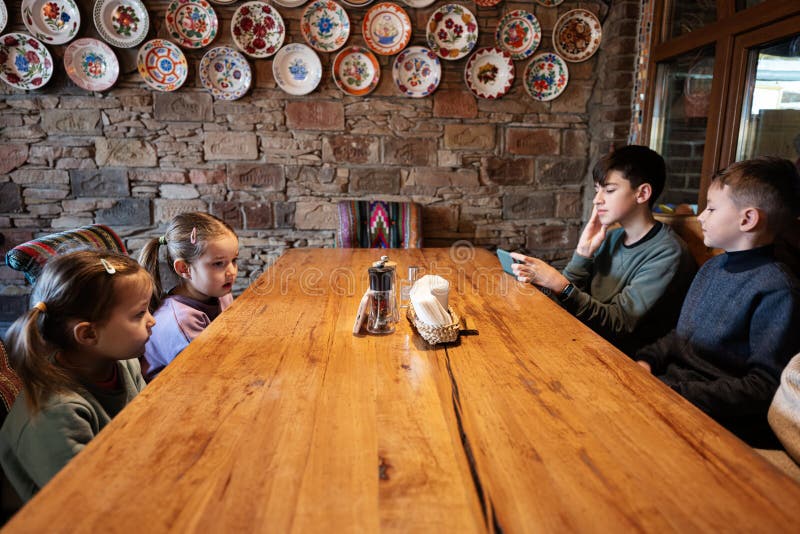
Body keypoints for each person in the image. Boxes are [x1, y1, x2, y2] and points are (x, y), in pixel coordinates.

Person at [636, 157, 800, 448]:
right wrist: (647, 359)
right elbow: (681, 336)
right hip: (672, 391)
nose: (701, 217)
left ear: (748, 219)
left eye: (711, 208)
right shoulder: (712, 267)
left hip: (717, 418)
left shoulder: (777, 289)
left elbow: (762, 386)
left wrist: (677, 392)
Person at [511, 145, 696, 356]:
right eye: (597, 189)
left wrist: (559, 284)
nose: (597, 199)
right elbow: (567, 304)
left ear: (642, 193)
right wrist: (582, 254)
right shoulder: (613, 237)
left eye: (609, 190)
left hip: (621, 359)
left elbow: (617, 324)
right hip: (583, 340)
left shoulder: (667, 252)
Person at [0, 250, 154, 502]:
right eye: (139, 314)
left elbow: (145, 423)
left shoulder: (124, 363)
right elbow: (84, 500)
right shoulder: (56, 414)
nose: (152, 321)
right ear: (88, 335)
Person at [139, 212, 238, 381]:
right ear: (184, 269)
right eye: (218, 264)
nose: (232, 271)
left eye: (234, 260)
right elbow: (209, 376)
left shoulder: (220, 293)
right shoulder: (182, 321)